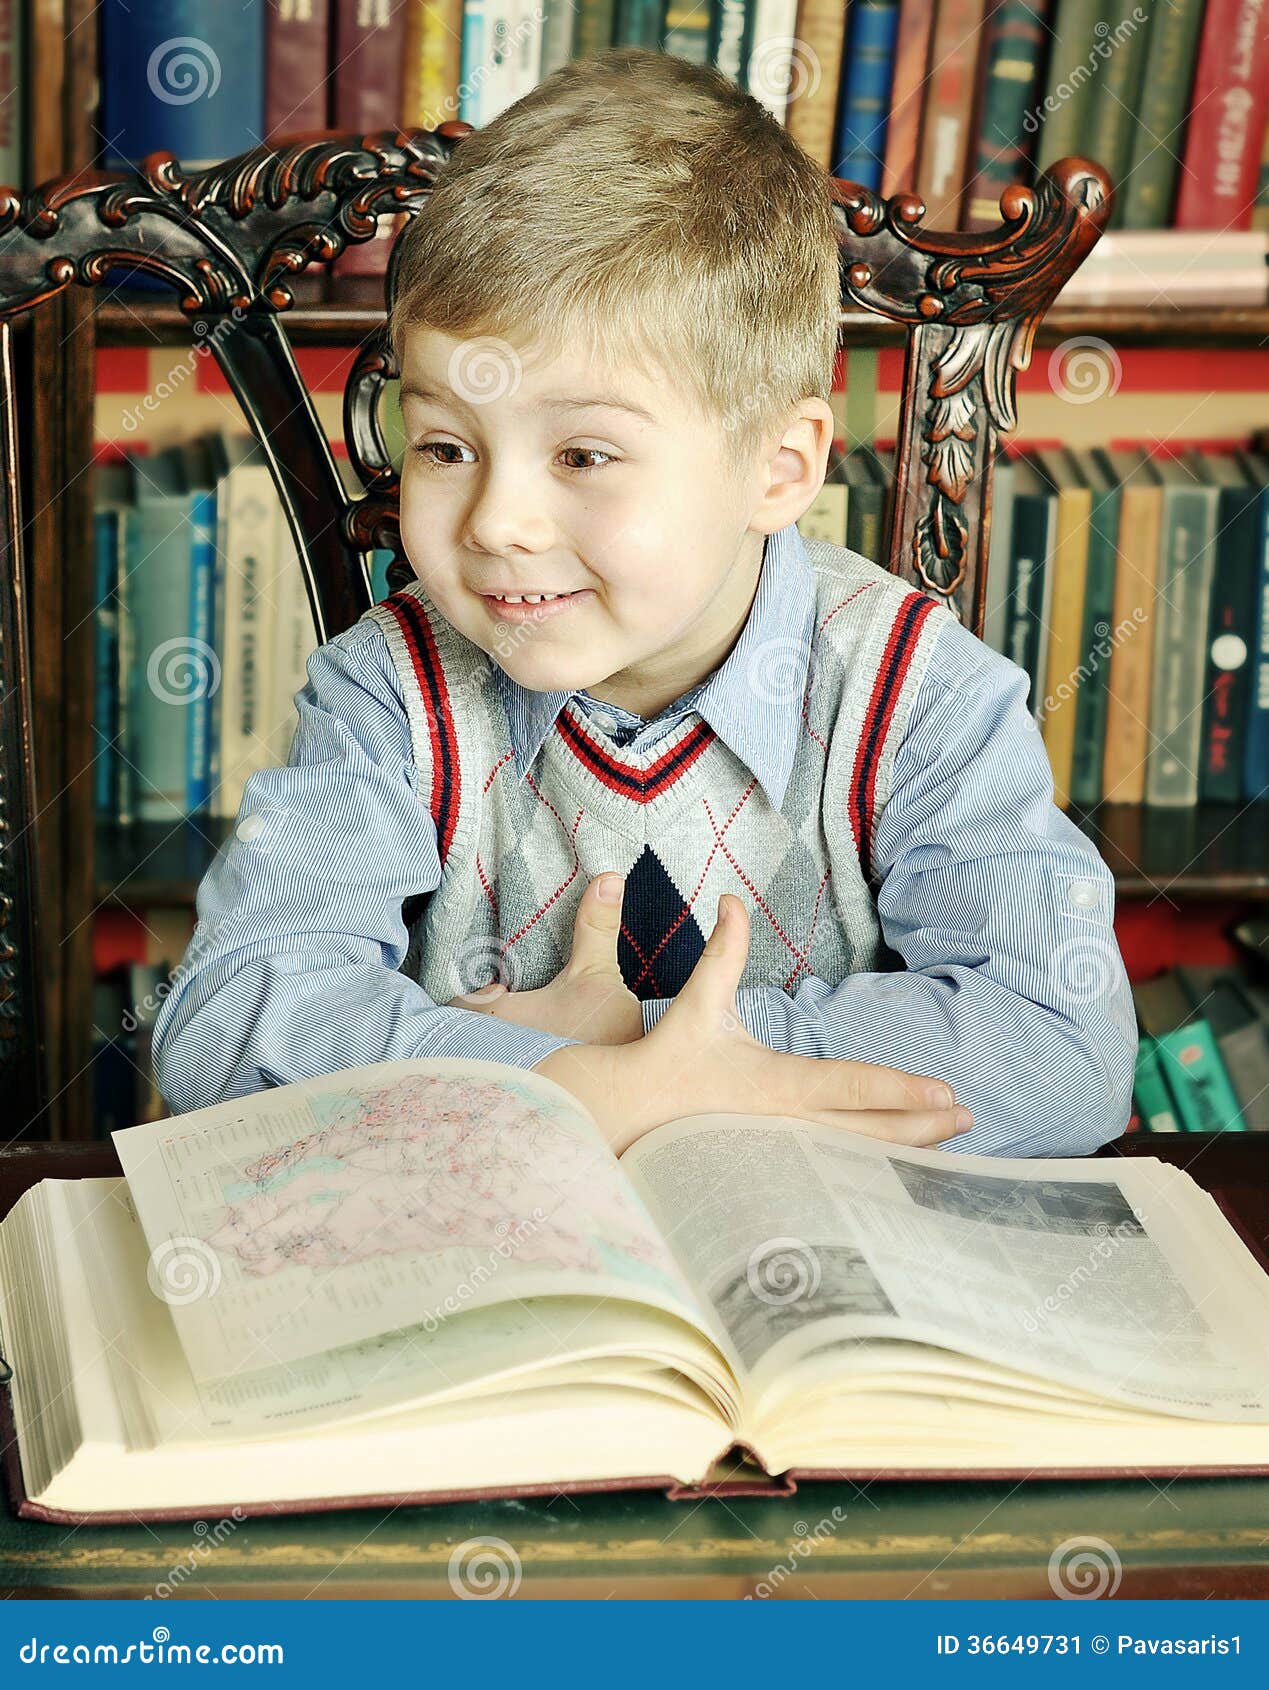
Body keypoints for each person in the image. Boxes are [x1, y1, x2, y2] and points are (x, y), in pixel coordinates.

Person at [151, 47, 1137, 1159]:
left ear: (776, 466)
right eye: (443, 445)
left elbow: (1066, 1043)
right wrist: (581, 1089)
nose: (494, 523)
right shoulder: (389, 690)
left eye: (582, 452)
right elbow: (220, 1026)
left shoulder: (915, 692)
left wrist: (647, 1063)